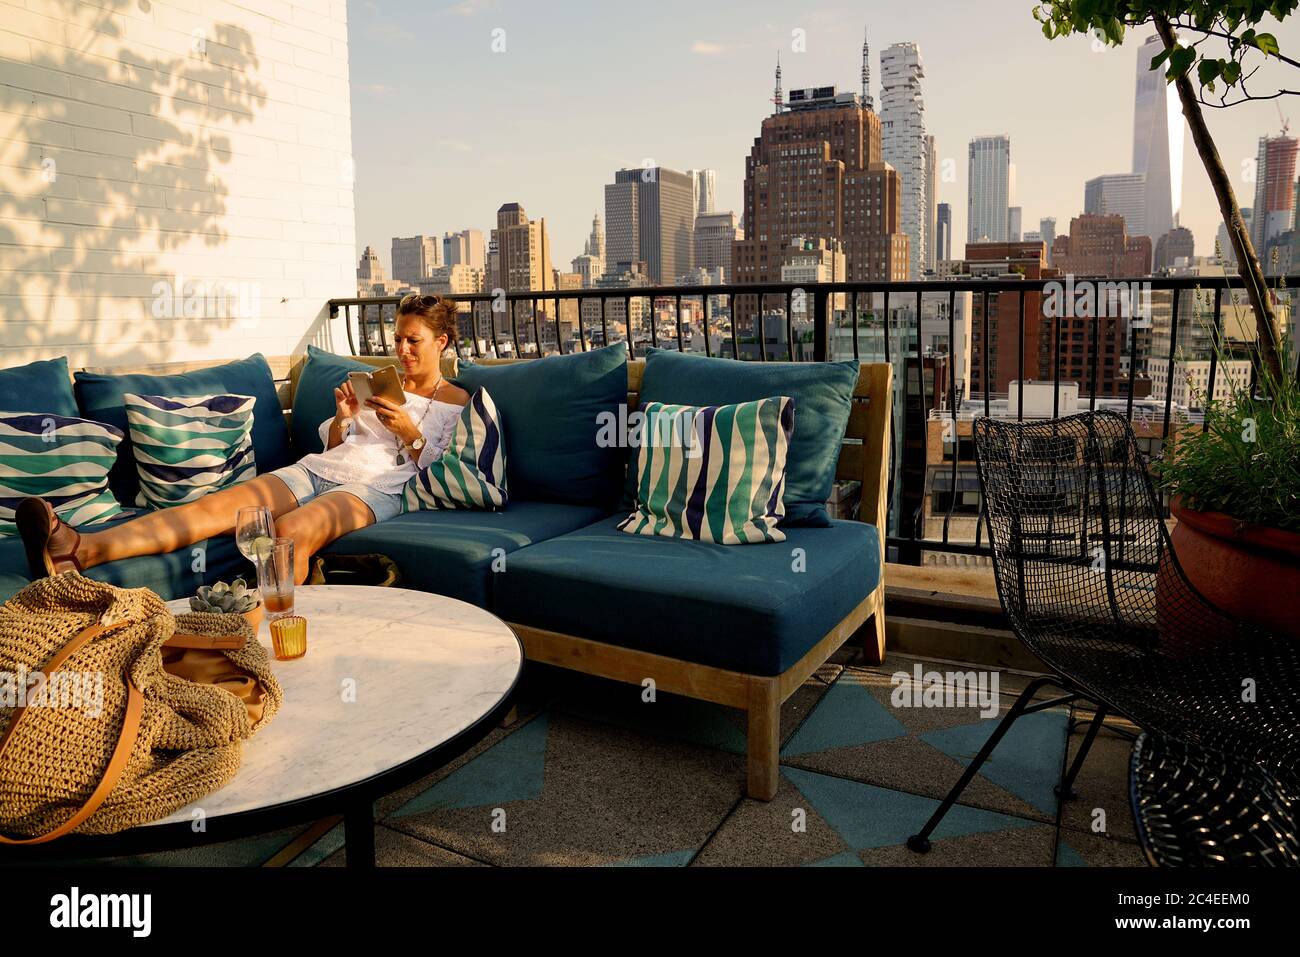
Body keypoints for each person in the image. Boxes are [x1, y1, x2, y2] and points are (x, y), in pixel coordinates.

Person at [17, 294, 469, 585]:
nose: (402, 350)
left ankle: (282, 643)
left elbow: (441, 472)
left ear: (441, 341)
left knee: (286, 534)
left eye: (414, 341)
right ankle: (77, 550)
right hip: (319, 468)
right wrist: (343, 418)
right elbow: (336, 447)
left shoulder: (458, 400)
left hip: (378, 489)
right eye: (398, 339)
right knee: (211, 510)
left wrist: (408, 433)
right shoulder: (377, 382)